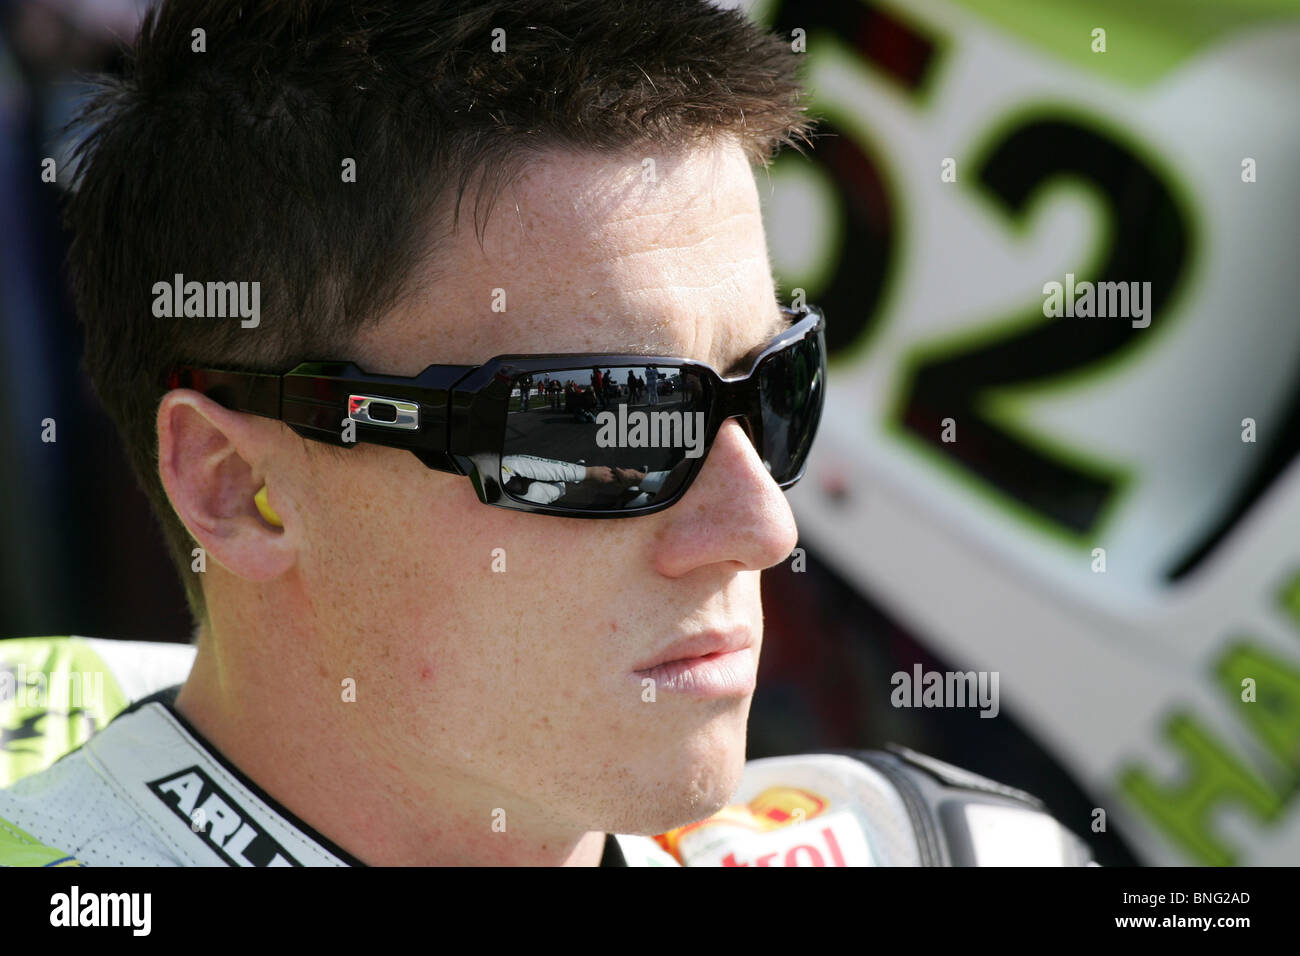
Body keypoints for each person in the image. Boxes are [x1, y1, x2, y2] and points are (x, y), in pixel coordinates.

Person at [0, 0, 1092, 867]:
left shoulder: (942, 841)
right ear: (238, 486)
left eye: (774, 389)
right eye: (605, 422)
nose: (759, 524)